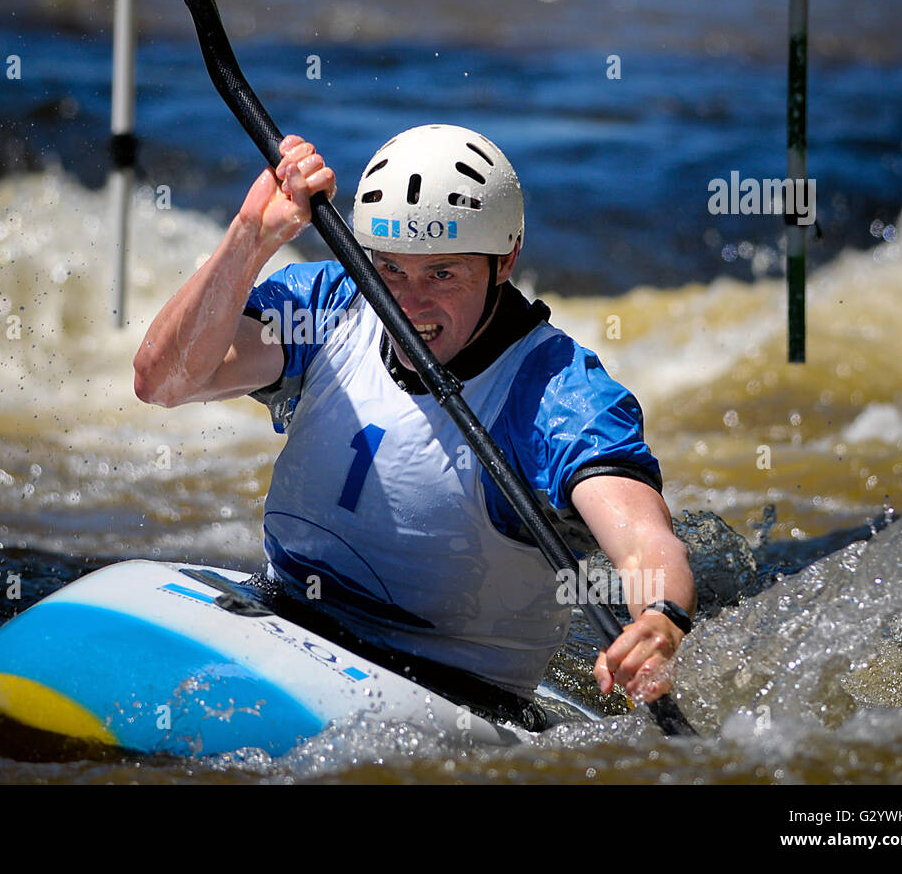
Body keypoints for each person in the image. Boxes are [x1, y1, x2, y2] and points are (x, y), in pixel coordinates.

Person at [134, 124, 696, 725]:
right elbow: (164, 380)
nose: (409, 303)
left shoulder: (556, 396)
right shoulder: (328, 308)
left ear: (504, 260)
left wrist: (659, 621)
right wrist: (250, 238)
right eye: (392, 270)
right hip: (285, 613)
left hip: (461, 692)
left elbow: (642, 540)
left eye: (442, 275)